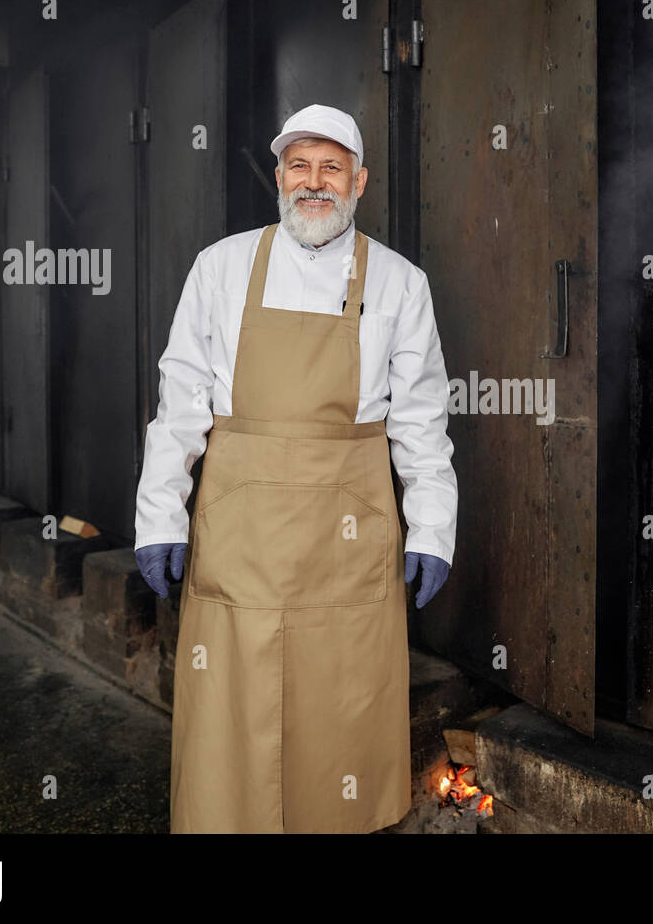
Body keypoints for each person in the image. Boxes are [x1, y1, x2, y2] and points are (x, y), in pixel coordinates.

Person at [132, 103, 458, 833]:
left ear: (359, 180)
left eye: (332, 166)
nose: (315, 183)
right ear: (279, 176)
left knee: (336, 713)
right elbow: (180, 403)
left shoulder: (402, 284)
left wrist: (432, 528)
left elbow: (421, 423)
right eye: (300, 165)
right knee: (233, 724)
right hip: (238, 537)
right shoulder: (219, 268)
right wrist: (159, 514)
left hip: (347, 546)